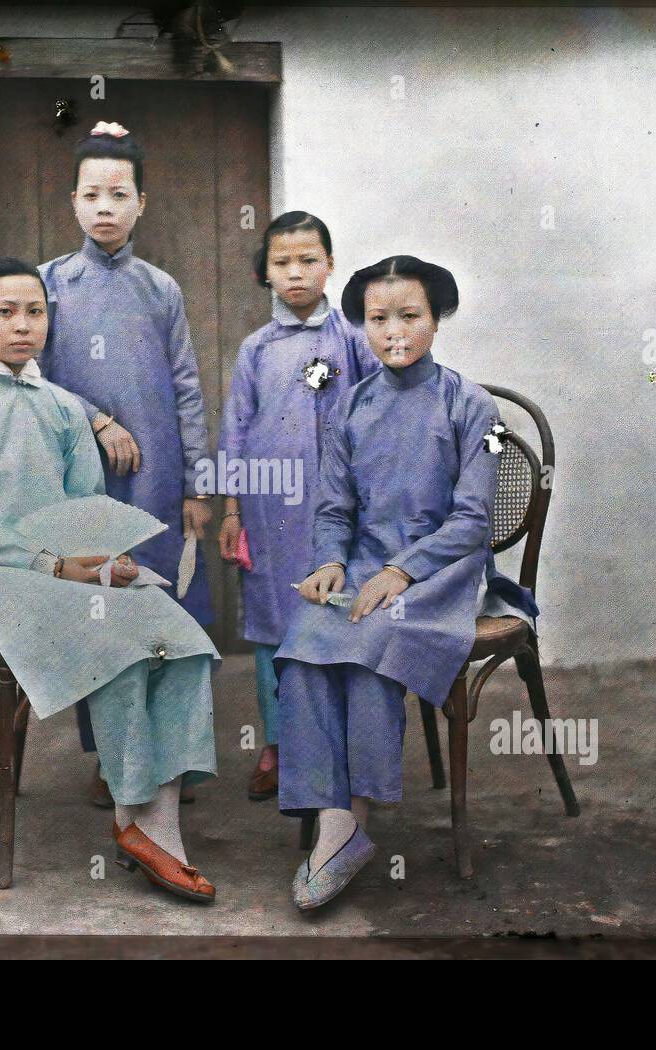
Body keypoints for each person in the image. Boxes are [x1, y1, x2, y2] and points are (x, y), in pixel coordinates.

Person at [0, 257, 219, 903]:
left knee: (179, 636)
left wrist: (101, 560)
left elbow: (83, 507)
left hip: (62, 574)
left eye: (35, 312)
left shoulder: (63, 409)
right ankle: (141, 825)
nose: (23, 326)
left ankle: (154, 820)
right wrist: (50, 565)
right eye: (5, 312)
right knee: (118, 641)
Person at [274, 255, 539, 911]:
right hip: (363, 566)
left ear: (435, 319)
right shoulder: (352, 406)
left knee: (369, 645)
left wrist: (401, 571)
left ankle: (347, 826)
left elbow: (474, 521)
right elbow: (334, 508)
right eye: (378, 319)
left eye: (410, 317)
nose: (395, 332)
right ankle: (336, 819)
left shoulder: (470, 406)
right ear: (362, 324)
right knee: (304, 644)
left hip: (439, 574)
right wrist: (331, 561)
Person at [38, 121, 214, 803]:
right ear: (73, 202)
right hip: (86, 479)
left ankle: (170, 759)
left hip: (159, 475)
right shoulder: (51, 285)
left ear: (142, 202)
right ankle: (112, 758)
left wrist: (198, 482)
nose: (105, 207)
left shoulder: (160, 289)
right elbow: (34, 381)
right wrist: (97, 419)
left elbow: (188, 385)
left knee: (164, 607)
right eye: (92, 194)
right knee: (100, 609)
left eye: (120, 193)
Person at [216, 211, 378, 800]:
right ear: (266, 273)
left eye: (309, 260)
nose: (296, 272)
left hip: (334, 507)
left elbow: (376, 419)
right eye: (282, 262)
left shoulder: (356, 341)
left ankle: (332, 748)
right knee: (272, 624)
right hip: (266, 508)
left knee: (331, 614)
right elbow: (235, 429)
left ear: (330, 265)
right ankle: (278, 744)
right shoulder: (257, 348)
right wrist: (232, 509)